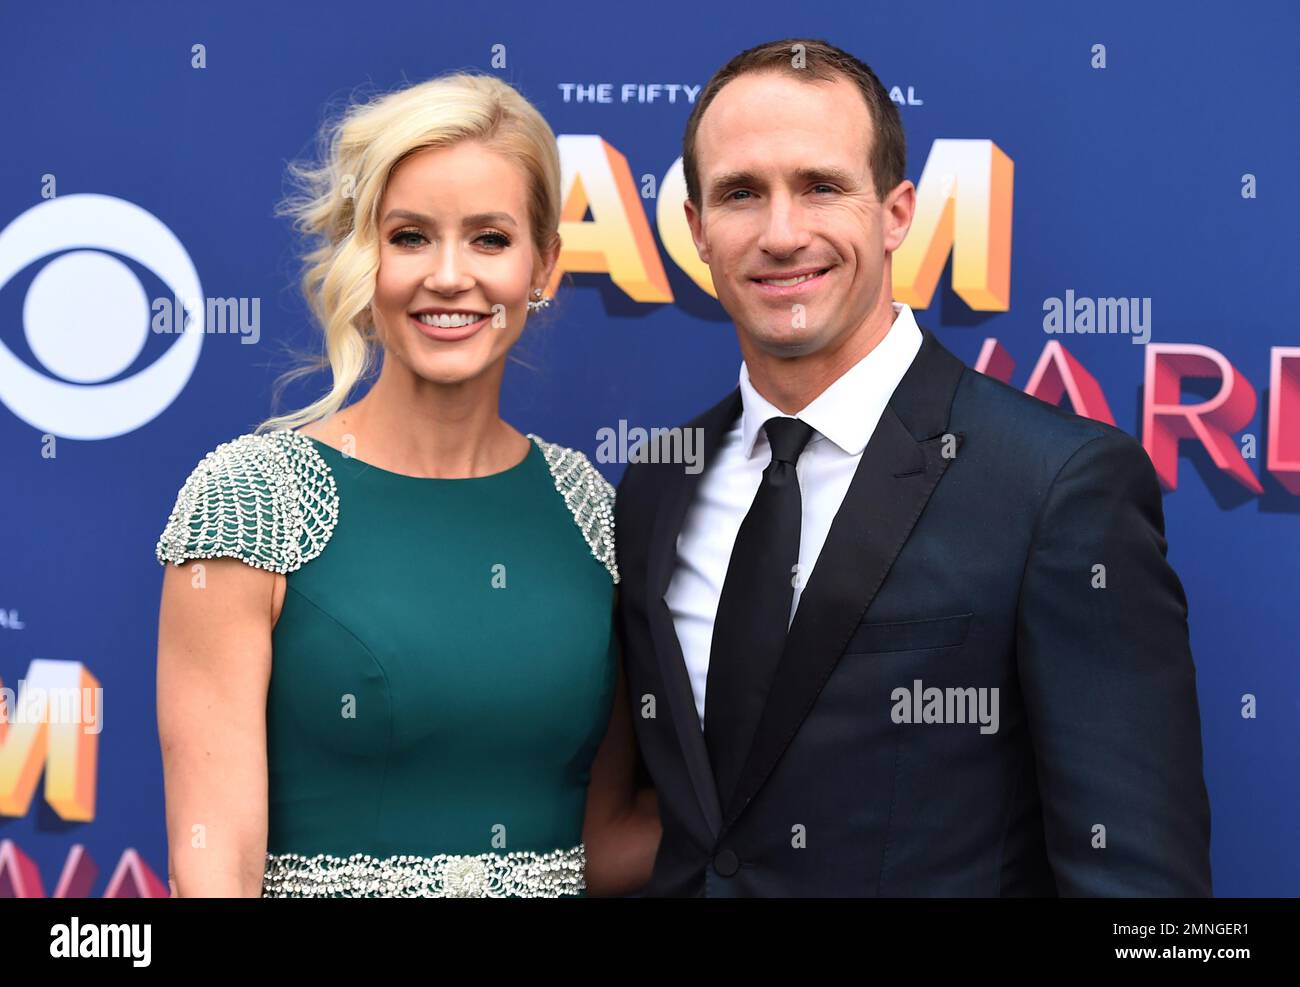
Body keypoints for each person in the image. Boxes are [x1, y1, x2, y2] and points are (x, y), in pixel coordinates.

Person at [614, 38, 1212, 896]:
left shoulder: (1057, 486)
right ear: (699, 232)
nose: (783, 234)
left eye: (821, 186)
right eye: (742, 193)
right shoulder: (657, 487)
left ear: (897, 214)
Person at [155, 72, 659, 897]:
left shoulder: (592, 512)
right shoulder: (249, 500)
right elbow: (213, 866)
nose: (450, 276)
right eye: (411, 236)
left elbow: (601, 849)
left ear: (546, 266)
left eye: (490, 239)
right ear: (365, 256)